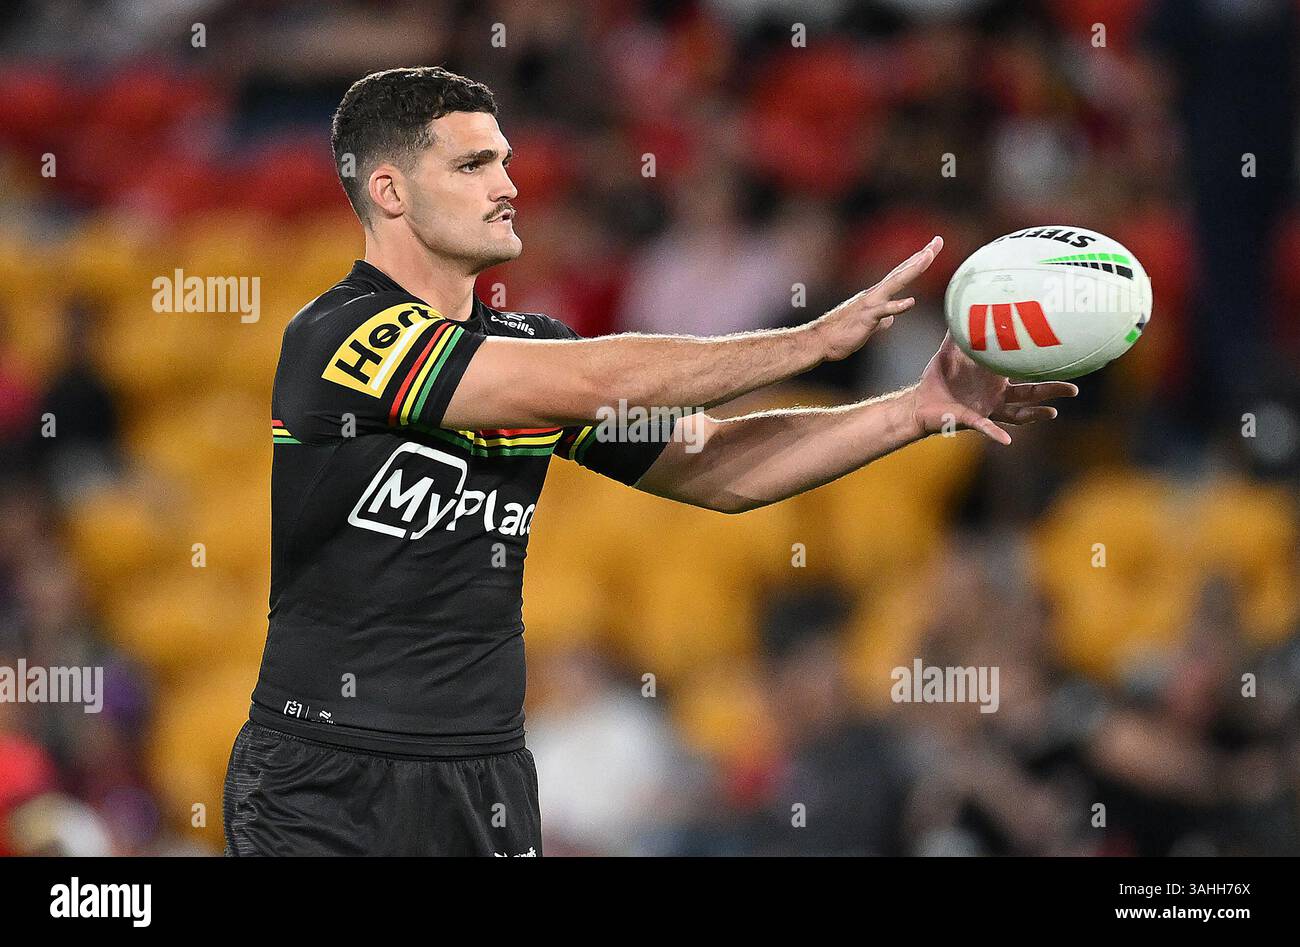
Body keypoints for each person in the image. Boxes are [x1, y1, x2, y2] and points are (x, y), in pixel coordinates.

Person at [222, 65, 1076, 856]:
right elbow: (594, 378)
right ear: (390, 191)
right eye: (474, 165)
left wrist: (914, 411)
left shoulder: (530, 349)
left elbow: (713, 467)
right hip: (330, 772)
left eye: (506, 162)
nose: (510, 186)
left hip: (481, 776)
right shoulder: (340, 335)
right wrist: (812, 340)